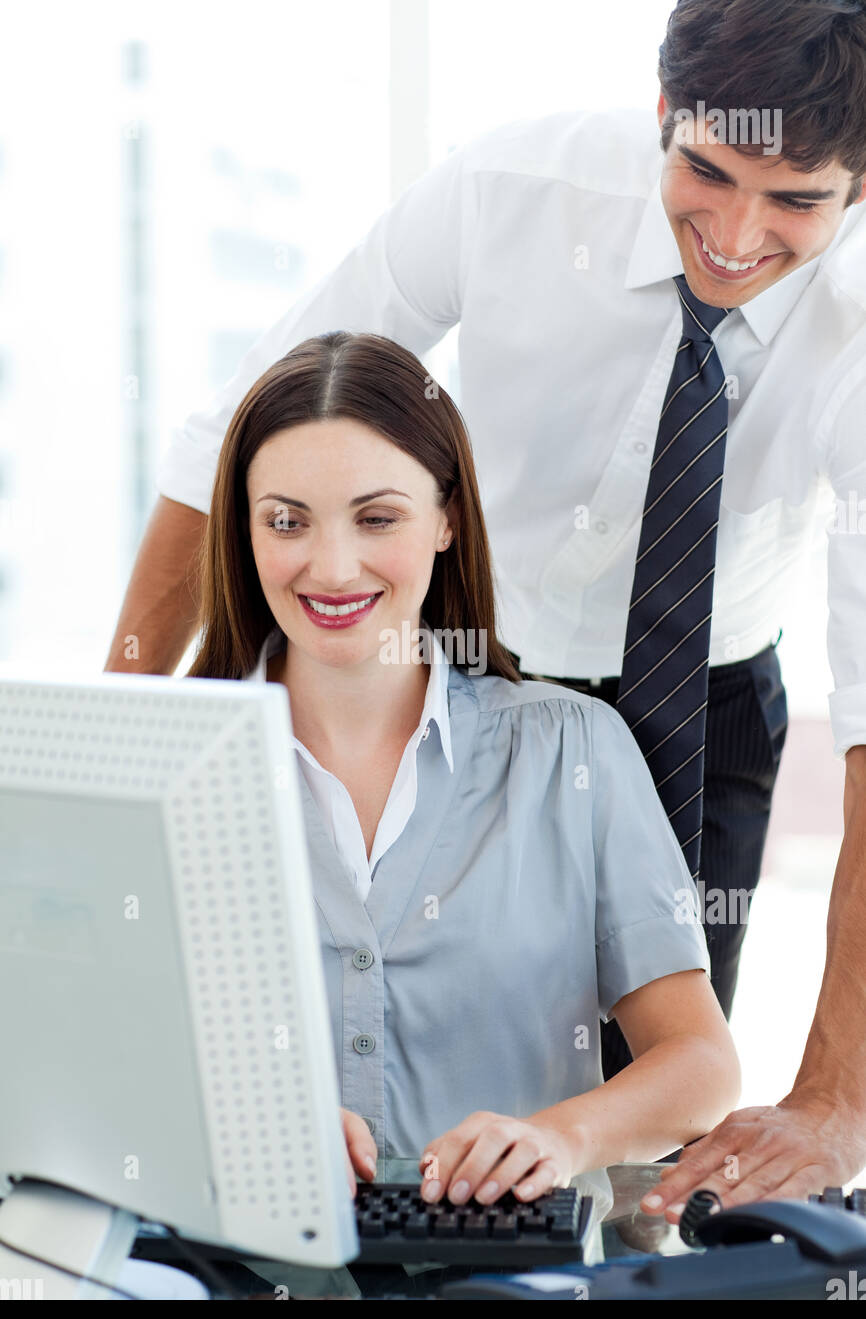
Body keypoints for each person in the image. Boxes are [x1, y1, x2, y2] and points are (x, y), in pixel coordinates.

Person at [106, 0, 866, 1213]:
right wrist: (122, 744)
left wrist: (834, 1096)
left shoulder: (856, 328)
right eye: (706, 171)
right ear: (659, 112)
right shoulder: (510, 188)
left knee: (640, 1154)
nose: (729, 235)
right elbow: (240, 434)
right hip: (449, 655)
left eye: (792, 202)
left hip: (701, 693)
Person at [186, 330, 740, 1203]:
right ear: (245, 530)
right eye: (287, 520)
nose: (332, 568)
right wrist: (227, 1116)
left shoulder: (575, 750)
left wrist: (558, 1138)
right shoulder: (169, 772)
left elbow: (701, 1064)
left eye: (377, 518)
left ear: (446, 517)